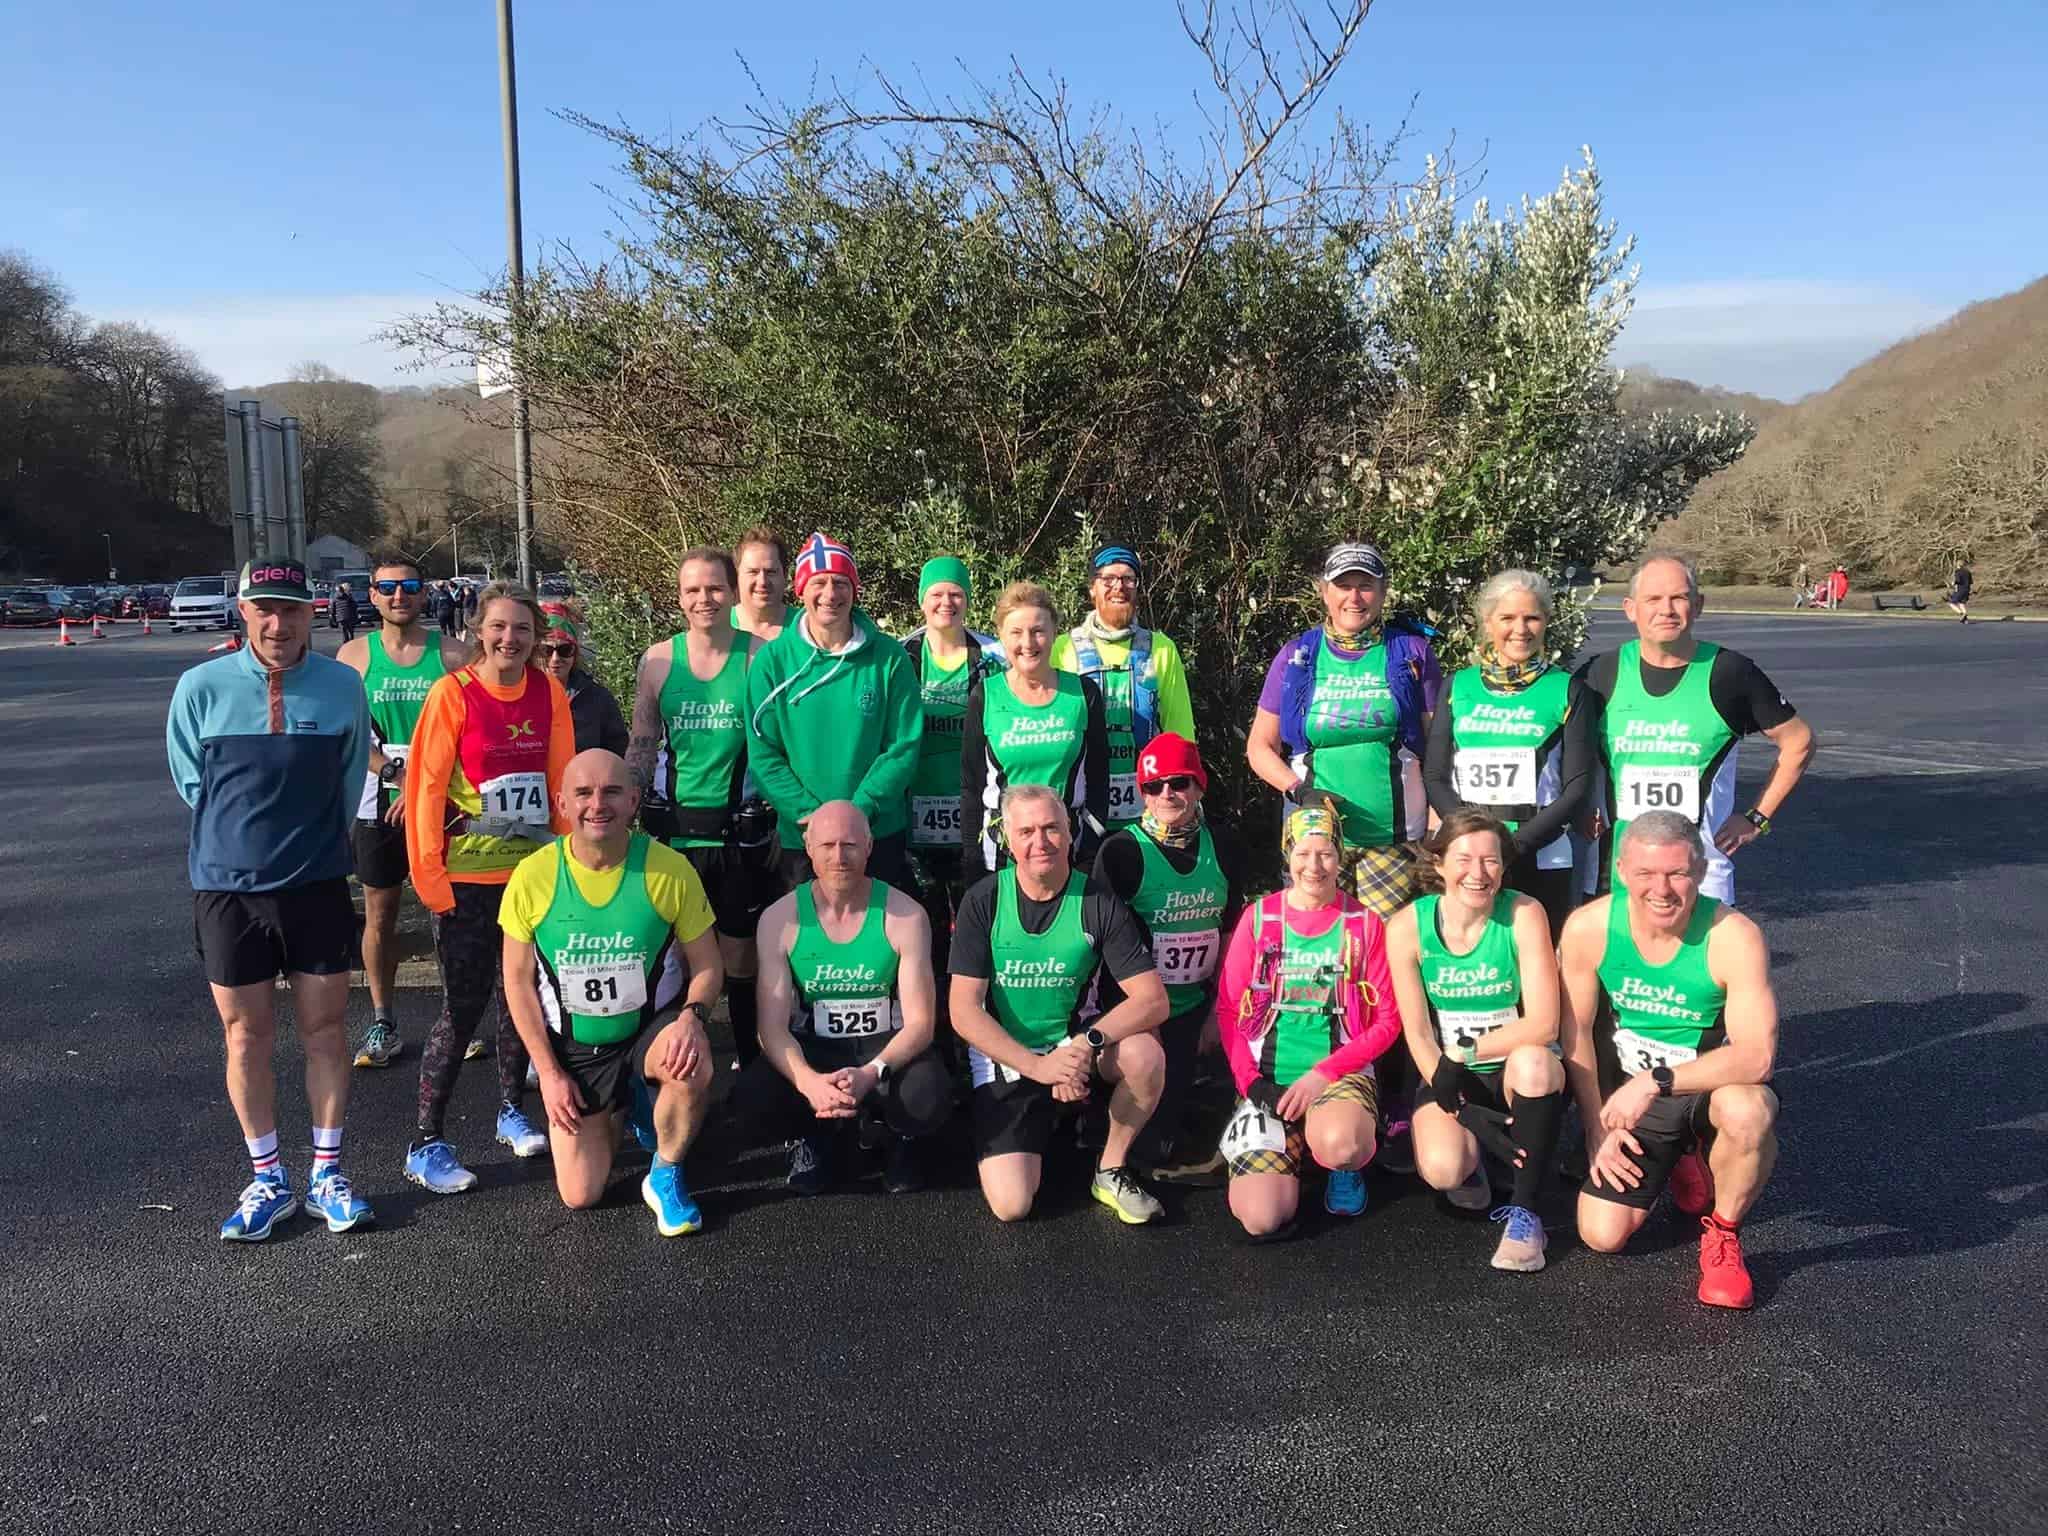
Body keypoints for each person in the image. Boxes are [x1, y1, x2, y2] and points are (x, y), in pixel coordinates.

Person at [165, 556, 373, 1240]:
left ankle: (326, 1175)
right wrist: (242, 839)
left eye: (290, 609)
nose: (277, 623)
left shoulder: (342, 686)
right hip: (228, 890)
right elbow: (194, 783)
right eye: (264, 609)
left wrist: (304, 841)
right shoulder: (200, 686)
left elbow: (348, 781)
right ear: (244, 612)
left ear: (312, 613)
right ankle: (268, 1179)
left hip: (316, 884)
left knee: (326, 1031)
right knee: (244, 1036)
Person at [1558, 810, 1781, 1309]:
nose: (1661, 889)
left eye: (1677, 873)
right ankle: (1685, 1155)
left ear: (1699, 871)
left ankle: (1723, 1233)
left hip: (1706, 1087)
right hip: (1634, 1098)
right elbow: (1576, 1035)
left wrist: (1654, 1081)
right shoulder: (1589, 927)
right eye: (1645, 873)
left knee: (1748, 1111)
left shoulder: (1733, 936)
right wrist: (1595, 1127)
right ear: (1620, 871)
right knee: (1602, 1234)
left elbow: (1757, 1057)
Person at [499, 750, 724, 1233]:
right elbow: (517, 983)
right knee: (580, 1195)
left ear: (634, 801)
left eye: (612, 792)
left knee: (691, 1060)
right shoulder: (533, 877)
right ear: (561, 803)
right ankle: (630, 1100)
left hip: (650, 1029)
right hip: (578, 1046)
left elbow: (708, 965)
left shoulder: (669, 870)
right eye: (583, 793)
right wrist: (549, 1073)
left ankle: (665, 1173)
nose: (597, 804)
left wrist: (693, 1017)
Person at [402, 582, 576, 1193]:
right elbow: (425, 790)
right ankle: (426, 1140)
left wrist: (567, 867)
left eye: (522, 629)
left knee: (520, 998)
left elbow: (561, 784)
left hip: (529, 877)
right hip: (467, 878)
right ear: (478, 631)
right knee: (462, 1007)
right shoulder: (453, 694)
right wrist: (431, 879)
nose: (510, 638)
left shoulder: (548, 692)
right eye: (499, 627)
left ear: (536, 637)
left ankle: (510, 1110)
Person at [950, 783, 1170, 1225]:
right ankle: (1050, 1124)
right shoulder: (984, 900)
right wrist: (1040, 1068)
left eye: (1051, 828)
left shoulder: (1098, 901)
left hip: (1075, 1048)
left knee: (1145, 1054)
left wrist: (1084, 1046)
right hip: (1009, 1058)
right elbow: (963, 1012)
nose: (1041, 842)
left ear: (1070, 833)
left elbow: (1153, 1000)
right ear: (1008, 841)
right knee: (1012, 1206)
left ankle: (1110, 1168)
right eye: (1026, 831)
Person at [733, 801, 953, 1195]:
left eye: (850, 845)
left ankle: (900, 1135)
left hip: (884, 1047)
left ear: (869, 847)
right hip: (815, 1046)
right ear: (808, 848)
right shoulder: (779, 919)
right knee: (754, 1096)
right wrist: (808, 1082)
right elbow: (771, 1028)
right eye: (828, 845)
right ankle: (812, 1134)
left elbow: (921, 1024)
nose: (839, 857)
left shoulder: (905, 915)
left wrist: (872, 1072)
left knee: (928, 1092)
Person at [1580, 552, 1816, 905]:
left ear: (1699, 605)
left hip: (1702, 881)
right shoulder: (1601, 673)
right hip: (1614, 877)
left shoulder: (1730, 673)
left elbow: (1799, 741)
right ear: (1630, 608)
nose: (1666, 609)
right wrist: (1581, 806)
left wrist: (1757, 818)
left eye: (1678, 597)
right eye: (1653, 599)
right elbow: (1567, 750)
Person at [1387, 810, 1566, 1271]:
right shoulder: (1406, 926)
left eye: (1490, 860)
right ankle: (1476, 1159)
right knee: (1444, 1169)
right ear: (1439, 862)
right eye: (1464, 859)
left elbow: (1544, 1024)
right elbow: (1418, 1032)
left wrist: (1463, 1051)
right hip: (1451, 1075)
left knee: (1536, 1064)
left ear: (1504, 867)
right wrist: (1459, 1105)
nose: (1478, 873)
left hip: (1510, 1068)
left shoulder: (1524, 913)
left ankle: (1526, 1215)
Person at [1213, 798, 1400, 1237]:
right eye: (1303, 853)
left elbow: (1388, 1021)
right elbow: (1228, 1009)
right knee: (1261, 1218)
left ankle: (1340, 1164)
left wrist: (1323, 1075)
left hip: (1338, 1075)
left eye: (1326, 853)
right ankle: (1289, 1153)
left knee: (1341, 1145)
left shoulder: (1365, 923)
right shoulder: (1259, 918)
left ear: (1340, 856)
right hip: (1269, 1080)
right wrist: (1251, 1084)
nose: (1314, 866)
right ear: (1287, 856)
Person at [628, 548, 773, 1066]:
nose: (704, 599)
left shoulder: (760, 656)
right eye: (692, 590)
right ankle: (676, 1064)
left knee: (739, 956)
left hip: (738, 834)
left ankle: (751, 1070)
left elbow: (780, 743)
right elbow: (642, 743)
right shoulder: (658, 660)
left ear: (733, 592)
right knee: (675, 956)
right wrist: (625, 806)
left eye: (714, 588)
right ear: (679, 597)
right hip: (674, 835)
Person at [1245, 541, 1443, 918]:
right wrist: (1299, 790)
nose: (1354, 597)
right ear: (1324, 591)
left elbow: (1438, 748)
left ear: (1383, 592)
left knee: (1388, 949)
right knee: (1318, 944)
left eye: (1365, 586)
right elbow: (1259, 747)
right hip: (1315, 843)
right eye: (1343, 585)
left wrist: (1437, 820)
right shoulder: (1296, 656)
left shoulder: (1412, 652)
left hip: (1394, 843)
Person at [1088, 733, 1247, 1178]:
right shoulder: (1121, 852)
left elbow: (1231, 933)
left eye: (1178, 783)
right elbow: (1104, 952)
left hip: (1200, 1004)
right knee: (1155, 1146)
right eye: (1153, 786)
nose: (1166, 795)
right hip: (1140, 1012)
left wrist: (1219, 1012)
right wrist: (1144, 1020)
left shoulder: (1224, 845)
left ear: (1198, 786)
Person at [336, 555, 466, 1068]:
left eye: (410, 586)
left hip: (443, 803)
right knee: (381, 913)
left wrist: (426, 787)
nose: (399, 596)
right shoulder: (353, 656)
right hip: (378, 801)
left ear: (424, 593)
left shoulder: (453, 654)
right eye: (388, 587)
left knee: (449, 915)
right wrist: (398, 776)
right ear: (371, 594)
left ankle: (457, 1020)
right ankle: (382, 1020)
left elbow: (470, 732)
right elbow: (349, 734)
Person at [745, 532, 923, 891]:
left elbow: (904, 746)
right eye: (819, 582)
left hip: (876, 833)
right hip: (803, 838)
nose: (830, 594)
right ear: (800, 589)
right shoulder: (772, 662)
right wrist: (811, 817)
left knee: (883, 926)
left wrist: (859, 812)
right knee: (806, 928)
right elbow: (764, 755)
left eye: (841, 582)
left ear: (854, 590)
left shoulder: (889, 658)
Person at [1423, 569, 1595, 937]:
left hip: (1541, 853)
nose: (1521, 629)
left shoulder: (1569, 689)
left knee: (1539, 960)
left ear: (1546, 621)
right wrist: (1471, 840)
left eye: (1532, 617)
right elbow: (1435, 775)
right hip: (1467, 854)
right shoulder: (1458, 686)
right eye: (1507, 618)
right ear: (1488, 623)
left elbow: (1577, 787)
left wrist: (1513, 846)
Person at [900, 556, 1005, 1043]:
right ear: (922, 600)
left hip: (976, 820)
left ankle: (979, 1042)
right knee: (924, 937)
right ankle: (933, 1041)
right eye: (937, 594)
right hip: (913, 821)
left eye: (956, 593)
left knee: (976, 933)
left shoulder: (992, 655)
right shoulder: (902, 656)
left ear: (968, 598)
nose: (946, 602)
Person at [961, 580, 1109, 879]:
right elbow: (971, 786)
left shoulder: (1083, 693)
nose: (1028, 643)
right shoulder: (985, 695)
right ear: (1001, 636)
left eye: (1038, 631)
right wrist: (972, 860)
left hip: (1070, 853)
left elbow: (1098, 780)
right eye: (1016, 632)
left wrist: (1090, 853)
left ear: (1054, 633)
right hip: (1000, 859)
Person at [1049, 545, 1196, 831]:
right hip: (1082, 807)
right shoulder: (1063, 648)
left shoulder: (1161, 648)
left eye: (1128, 579)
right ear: (1092, 588)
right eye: (1108, 579)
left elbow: (1181, 737)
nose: (1119, 587)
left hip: (1149, 808)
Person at [539, 601, 628, 755]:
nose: (555, 658)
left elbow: (618, 752)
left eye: (565, 650)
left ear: (575, 653)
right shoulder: (520, 697)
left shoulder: (598, 699)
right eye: (546, 650)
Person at [732, 527, 791, 642]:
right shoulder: (718, 625)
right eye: (753, 572)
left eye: (771, 572)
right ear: (736, 576)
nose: (762, 581)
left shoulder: (806, 627)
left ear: (785, 576)